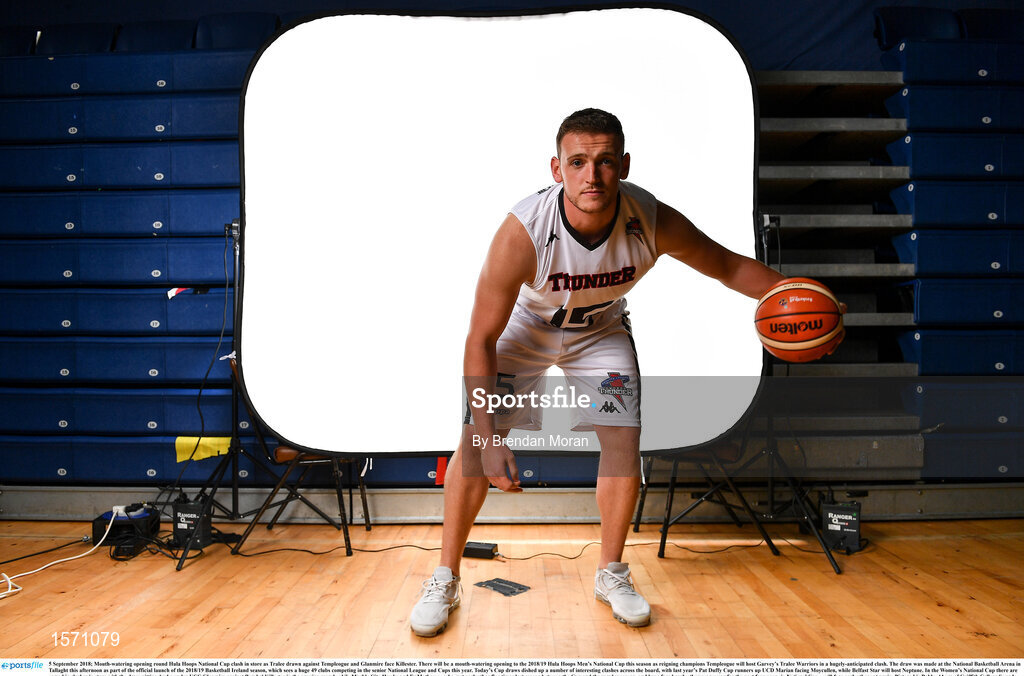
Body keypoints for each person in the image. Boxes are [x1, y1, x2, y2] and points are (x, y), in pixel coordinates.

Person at [409, 108, 786, 636]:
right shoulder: (524, 232)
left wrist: (798, 293)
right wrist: (492, 439)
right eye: (578, 162)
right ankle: (445, 578)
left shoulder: (649, 220)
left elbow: (729, 266)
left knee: (622, 439)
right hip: (526, 329)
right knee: (474, 445)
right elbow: (480, 339)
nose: (593, 175)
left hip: (599, 333)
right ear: (556, 169)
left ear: (624, 165)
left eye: (605, 161)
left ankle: (612, 573)